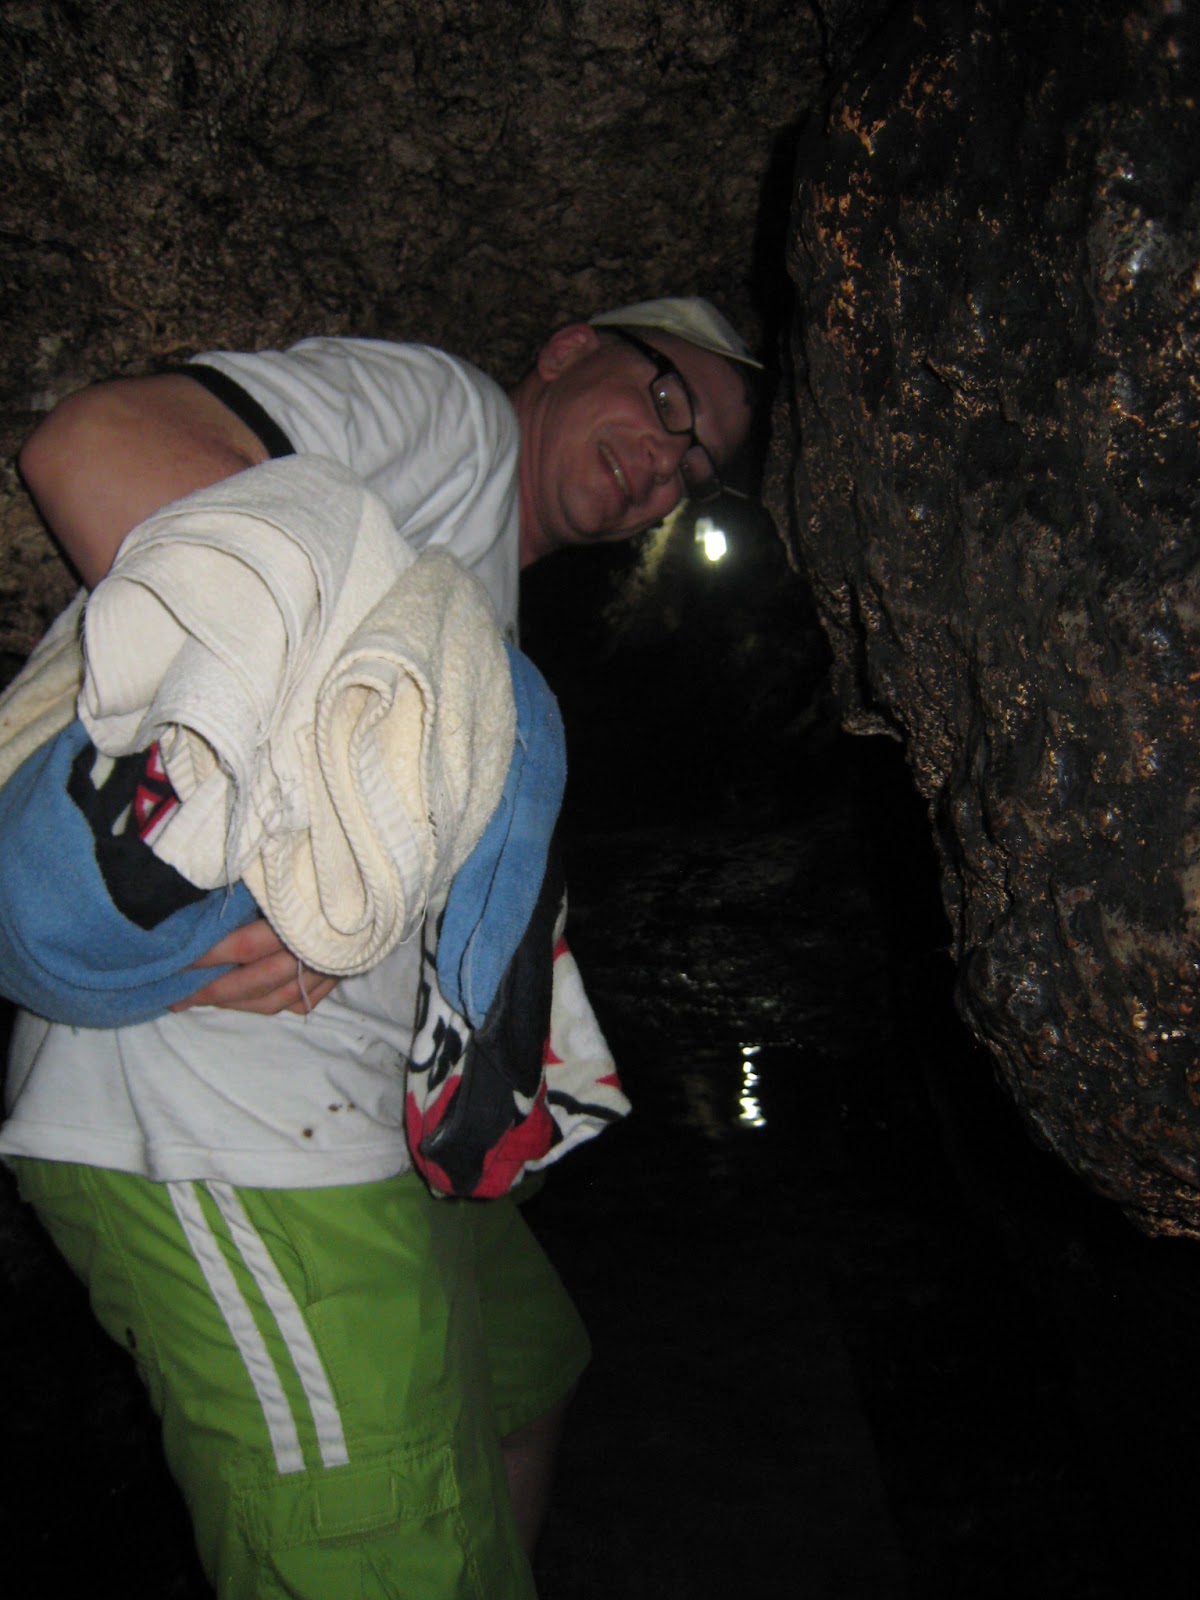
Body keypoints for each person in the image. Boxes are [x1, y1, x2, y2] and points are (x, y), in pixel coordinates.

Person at [1, 298, 758, 1598]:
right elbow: (93, 446)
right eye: (671, 403)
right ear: (570, 347)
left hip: (361, 1116)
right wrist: (303, 852)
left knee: (529, 1366)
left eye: (698, 471)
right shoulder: (449, 422)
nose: (668, 468)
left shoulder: (475, 585)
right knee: (386, 1548)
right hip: (221, 1112)